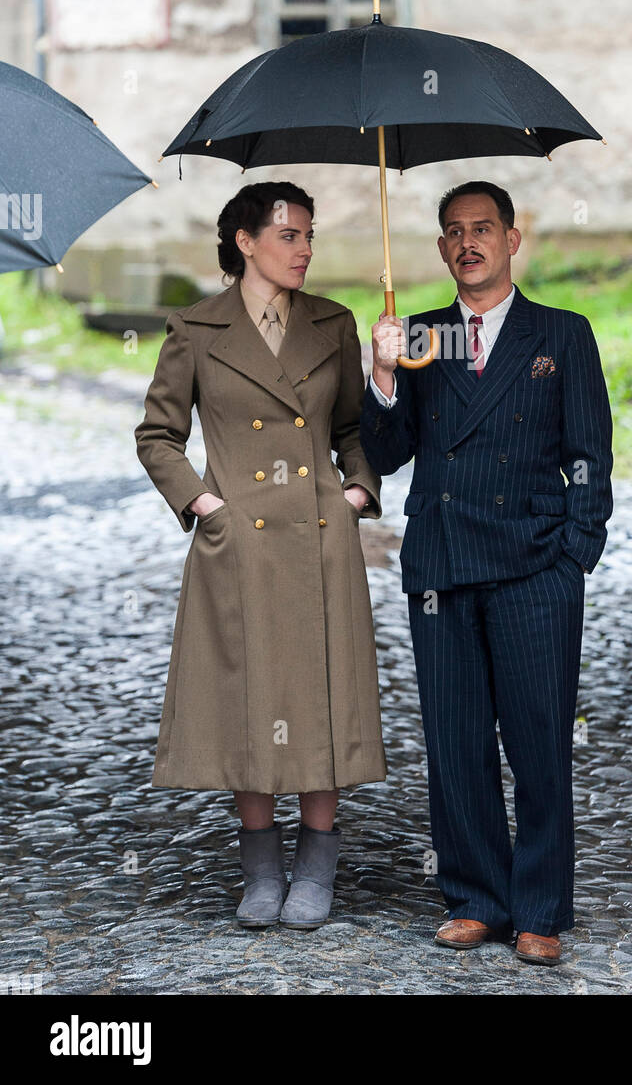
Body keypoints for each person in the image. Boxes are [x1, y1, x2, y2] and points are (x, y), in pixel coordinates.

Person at [359, 180, 613, 966]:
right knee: (455, 741)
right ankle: (475, 899)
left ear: (511, 239)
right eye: (453, 232)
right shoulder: (421, 335)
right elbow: (389, 451)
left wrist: (575, 552)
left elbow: (590, 455)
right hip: (441, 563)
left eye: (482, 228)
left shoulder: (561, 334)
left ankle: (538, 911)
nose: (468, 243)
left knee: (538, 743)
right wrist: (383, 374)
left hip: (536, 566)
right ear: (440, 249)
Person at [135, 180, 386, 931]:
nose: (303, 249)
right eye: (287, 235)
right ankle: (259, 866)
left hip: (317, 540)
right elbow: (157, 435)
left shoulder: (335, 323)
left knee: (318, 697)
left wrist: (356, 496)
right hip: (237, 543)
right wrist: (206, 506)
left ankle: (317, 863)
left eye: (309, 236)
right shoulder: (195, 327)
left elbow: (352, 432)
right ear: (244, 241)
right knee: (248, 699)